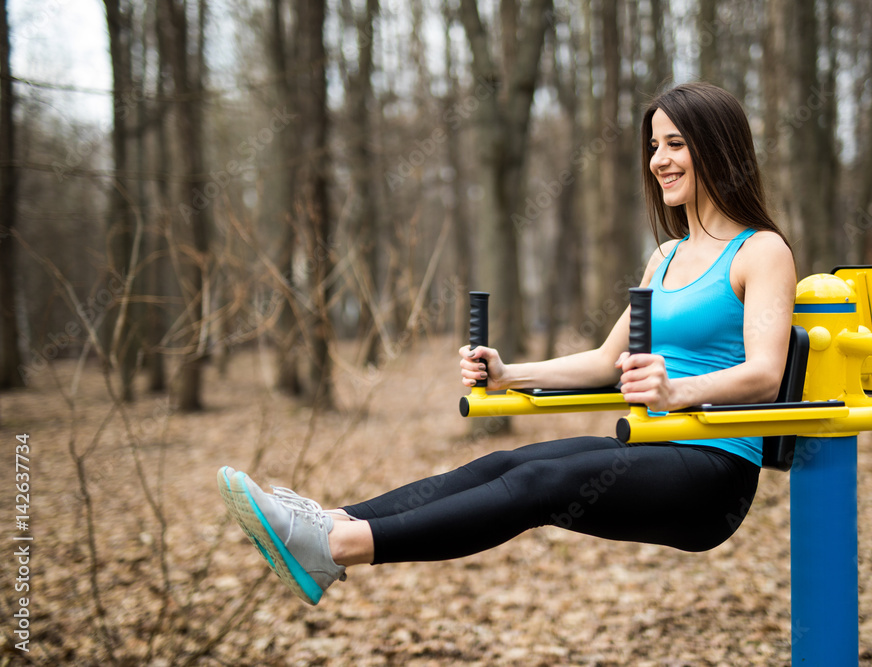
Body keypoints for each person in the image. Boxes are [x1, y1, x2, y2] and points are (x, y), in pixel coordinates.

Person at [218, 82, 797, 606]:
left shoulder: (760, 251)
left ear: (719, 148)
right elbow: (603, 361)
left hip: (715, 469)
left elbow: (766, 374)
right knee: (505, 460)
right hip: (656, 443)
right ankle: (325, 523)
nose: (659, 161)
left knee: (539, 484)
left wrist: (678, 389)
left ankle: (339, 548)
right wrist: (508, 373)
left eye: (675, 144)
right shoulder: (666, 256)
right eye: (653, 146)